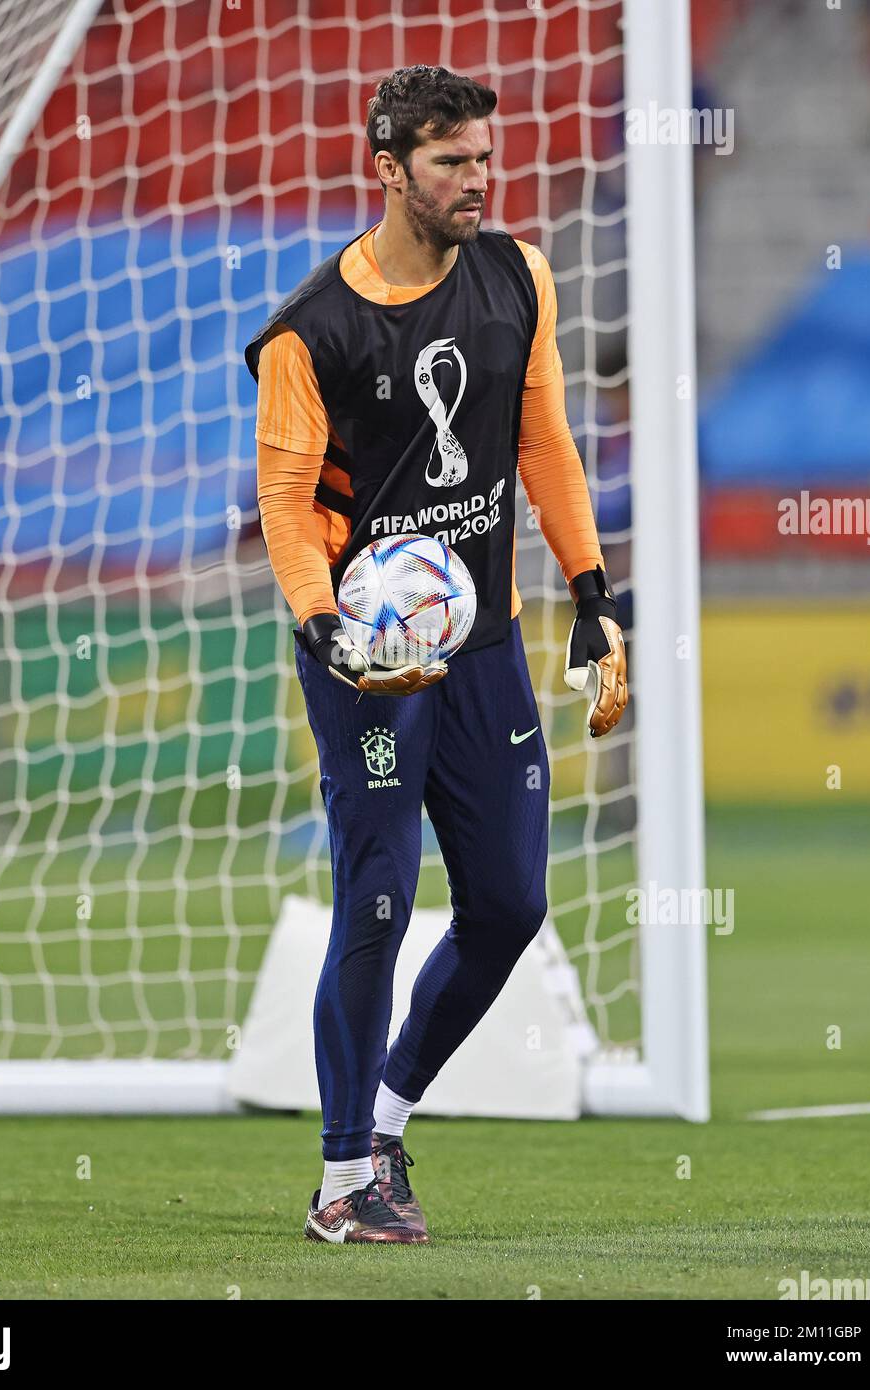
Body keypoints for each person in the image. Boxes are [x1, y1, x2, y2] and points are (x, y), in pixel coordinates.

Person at [245, 65, 627, 1244]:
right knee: (375, 887)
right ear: (389, 169)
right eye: (451, 162)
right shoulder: (309, 332)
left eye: (483, 158)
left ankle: (390, 1117)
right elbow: (284, 496)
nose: (477, 180)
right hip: (363, 653)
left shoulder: (519, 276)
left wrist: (591, 592)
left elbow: (545, 441)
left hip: (486, 644)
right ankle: (338, 1179)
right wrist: (327, 630)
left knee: (508, 902)